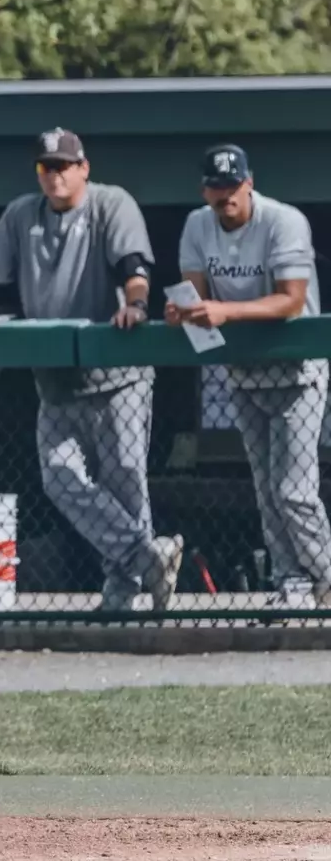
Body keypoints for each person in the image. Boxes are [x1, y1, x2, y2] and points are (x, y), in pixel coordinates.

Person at [0, 128, 184, 612]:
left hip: (118, 374)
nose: (55, 175)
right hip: (57, 380)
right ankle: (145, 558)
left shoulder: (111, 203)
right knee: (61, 479)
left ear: (84, 167)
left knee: (125, 476)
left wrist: (135, 304)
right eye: (47, 167)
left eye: (64, 166)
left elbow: (135, 267)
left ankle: (124, 586)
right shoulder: (22, 214)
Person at [169, 144, 331, 609]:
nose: (226, 197)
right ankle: (293, 584)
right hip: (243, 375)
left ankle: (323, 576)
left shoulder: (283, 221)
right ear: (206, 190)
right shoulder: (198, 224)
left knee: (293, 490)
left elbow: (291, 300)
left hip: (297, 370)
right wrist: (185, 310)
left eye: (233, 186)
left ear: (249, 183)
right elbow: (194, 295)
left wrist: (223, 311)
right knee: (266, 489)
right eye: (217, 188)